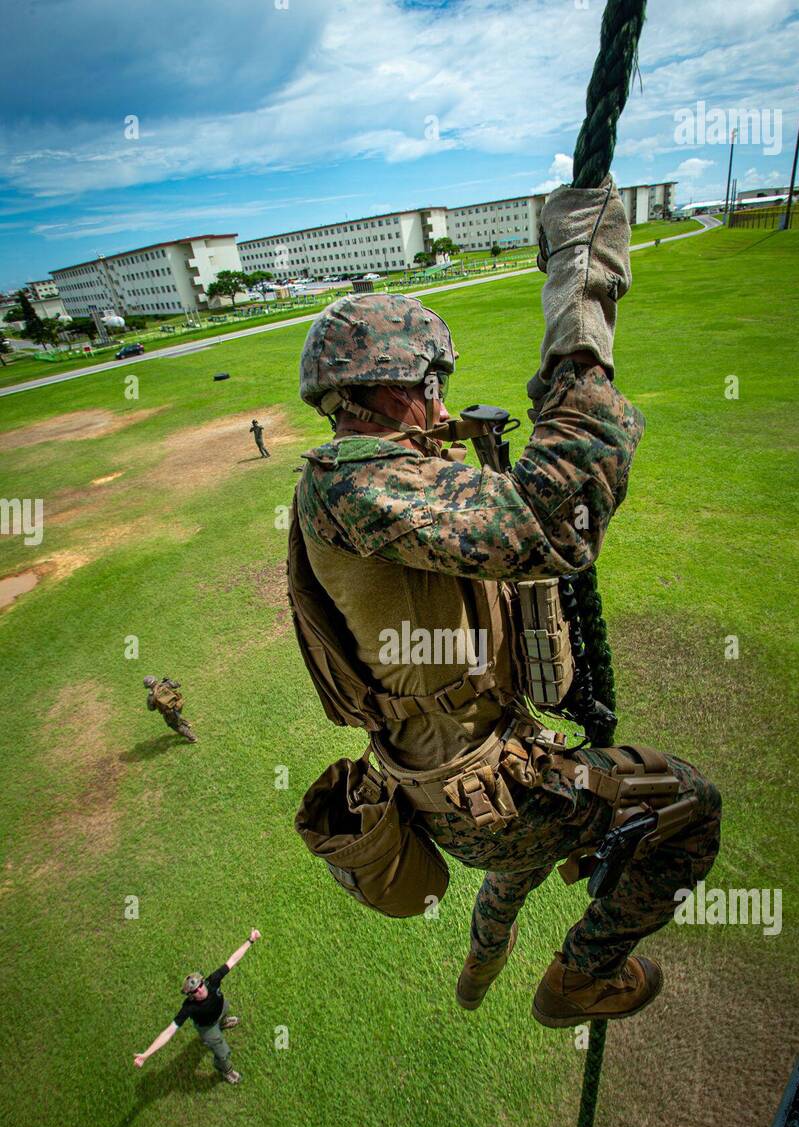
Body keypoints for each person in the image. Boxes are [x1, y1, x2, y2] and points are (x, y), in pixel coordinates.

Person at [290, 177, 721, 1027]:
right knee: (691, 808)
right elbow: (544, 525)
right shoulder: (354, 484)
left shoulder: (377, 479)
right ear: (390, 387)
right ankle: (580, 980)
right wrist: (580, 312)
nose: (443, 406)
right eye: (432, 385)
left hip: (470, 779)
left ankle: (478, 972)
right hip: (484, 796)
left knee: (515, 871)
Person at [133, 931, 262, 1083]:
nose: (200, 990)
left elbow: (232, 960)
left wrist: (250, 940)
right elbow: (168, 1032)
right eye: (195, 991)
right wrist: (146, 1054)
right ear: (190, 995)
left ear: (202, 982)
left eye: (200, 985)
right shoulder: (189, 1007)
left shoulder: (212, 981)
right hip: (208, 1027)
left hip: (220, 1010)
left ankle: (223, 1022)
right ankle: (225, 1070)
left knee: (225, 1008)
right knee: (223, 1052)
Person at [143, 675, 196, 743]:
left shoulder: (151, 696)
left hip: (169, 712)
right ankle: (187, 724)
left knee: (176, 726)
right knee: (178, 715)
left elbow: (151, 708)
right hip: (178, 704)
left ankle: (192, 738)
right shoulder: (165, 684)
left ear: (148, 686)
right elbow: (178, 685)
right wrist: (169, 681)